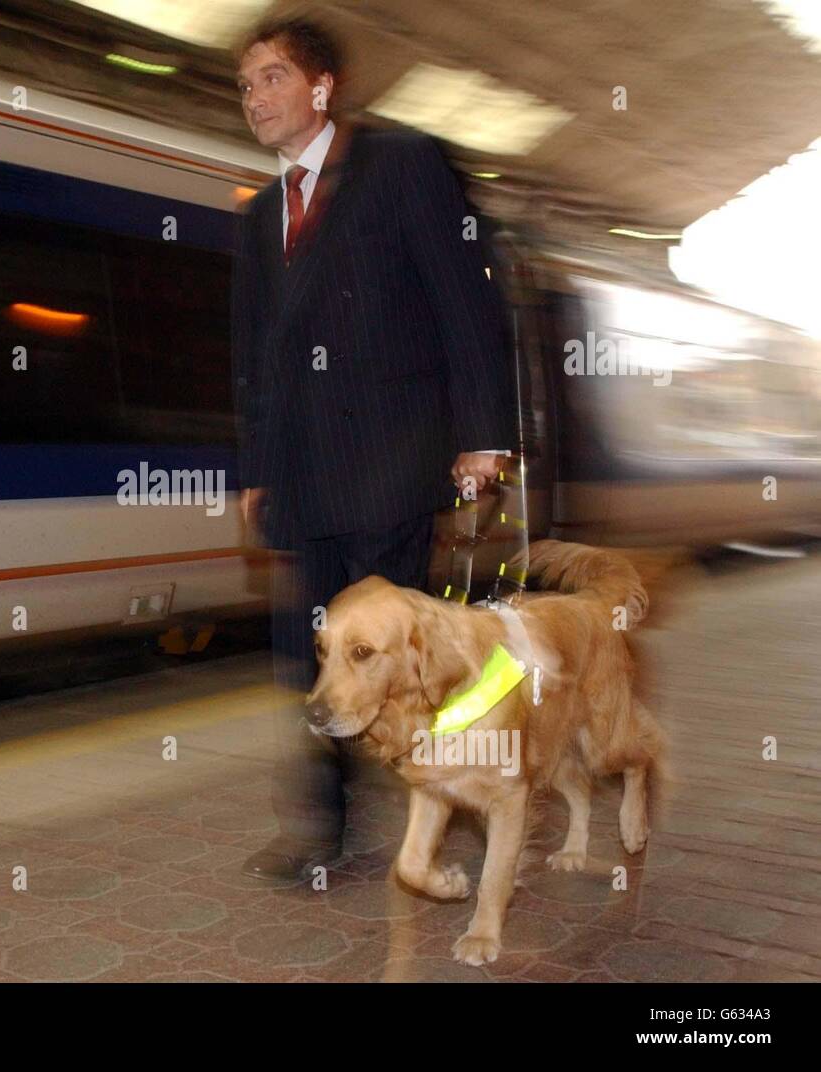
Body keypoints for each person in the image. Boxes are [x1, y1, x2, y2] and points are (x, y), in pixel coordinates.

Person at [231, 16, 517, 880]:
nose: (255, 99)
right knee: (309, 659)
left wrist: (483, 435)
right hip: (309, 482)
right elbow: (255, 359)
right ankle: (324, 827)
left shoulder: (402, 166)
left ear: (323, 87)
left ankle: (437, 806)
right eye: (245, 86)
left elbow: (465, 300)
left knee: (396, 659)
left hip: (392, 461)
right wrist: (255, 471)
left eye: (272, 78)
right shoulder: (258, 219)